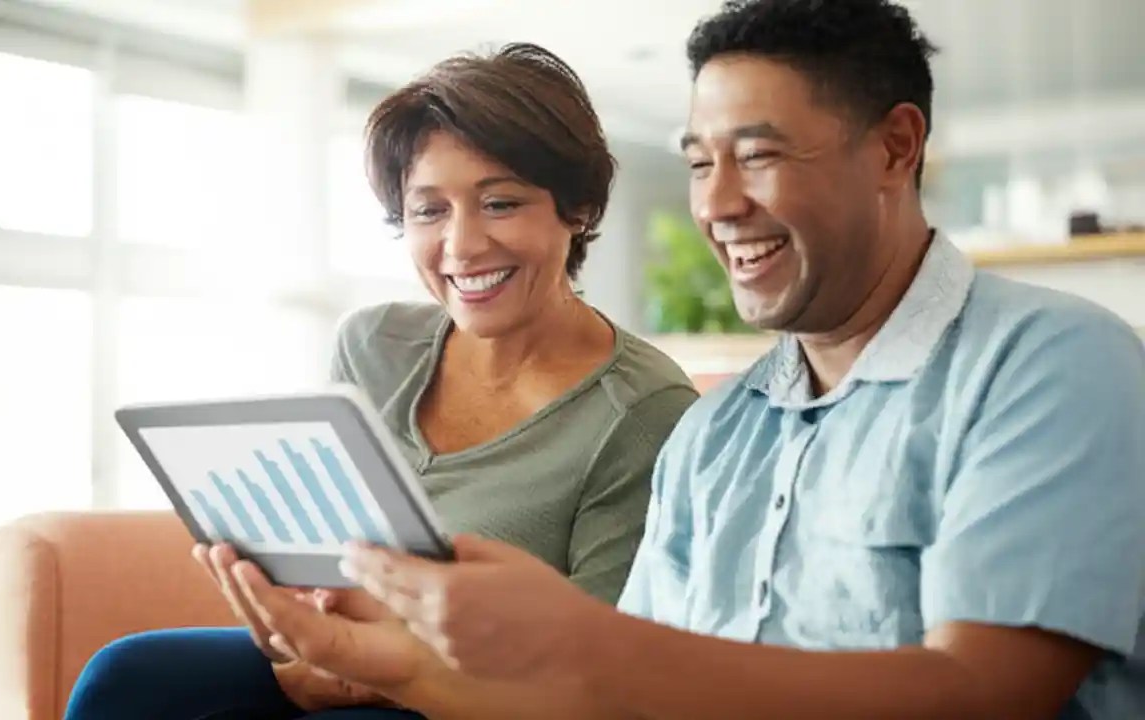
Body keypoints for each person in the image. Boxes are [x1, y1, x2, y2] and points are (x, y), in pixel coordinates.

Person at [222, 1, 1145, 718]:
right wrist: (383, 666)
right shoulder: (717, 435)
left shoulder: (1049, 364)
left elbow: (986, 697)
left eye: (759, 155)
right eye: (701, 163)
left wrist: (586, 640)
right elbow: (609, 708)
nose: (719, 203)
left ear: (895, 149)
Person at [62, 43, 699, 720]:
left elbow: (596, 665)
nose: (462, 246)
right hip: (338, 654)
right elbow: (323, 560)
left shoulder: (643, 411)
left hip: (488, 701)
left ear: (575, 209)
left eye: (501, 202)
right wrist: (297, 644)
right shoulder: (374, 344)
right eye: (429, 211)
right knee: (123, 679)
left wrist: (377, 672)